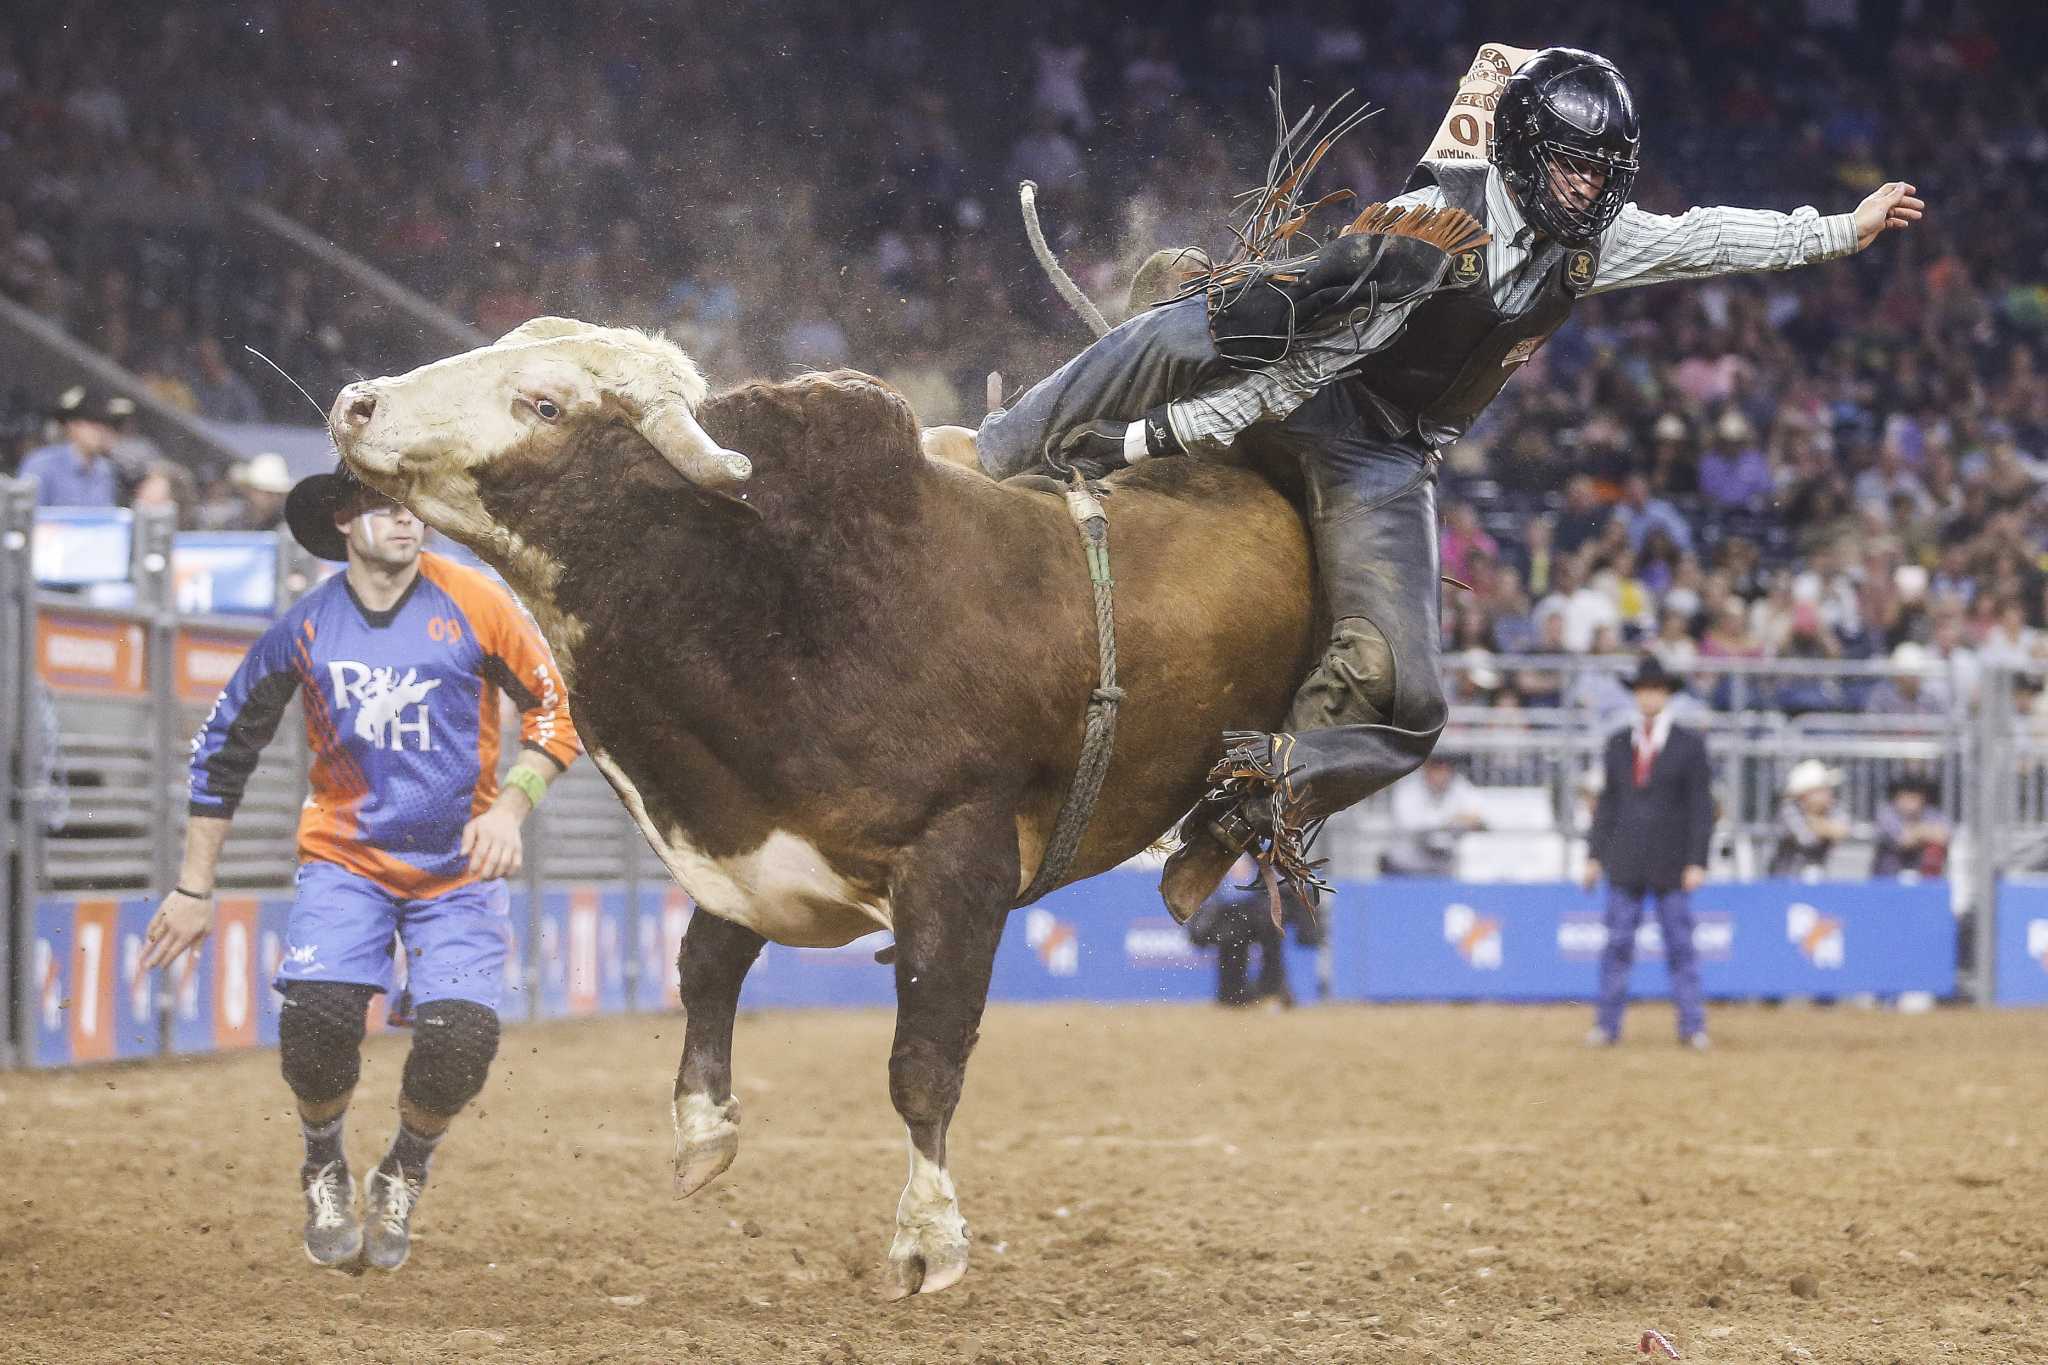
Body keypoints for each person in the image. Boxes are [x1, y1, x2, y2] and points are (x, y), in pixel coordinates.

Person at [966, 46, 1923, 914]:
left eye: (1603, 173)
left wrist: (1840, 228)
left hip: (1388, 454)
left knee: (1413, 706)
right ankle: (1009, 443)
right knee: (1194, 325)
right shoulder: (1429, 230)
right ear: (1519, 150)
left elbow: (1704, 236)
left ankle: (1237, 812)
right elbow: (1303, 362)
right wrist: (1157, 434)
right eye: (1571, 165)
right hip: (1319, 382)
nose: (1588, 190)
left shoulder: (1595, 241)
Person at [140, 463, 581, 1272]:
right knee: (317, 1019)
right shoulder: (305, 628)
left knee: (461, 1038)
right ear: (343, 520)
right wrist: (193, 887)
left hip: (458, 864)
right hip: (346, 858)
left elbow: (556, 710)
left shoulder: (478, 602)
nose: (406, 518)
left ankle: (404, 1167)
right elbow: (223, 749)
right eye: (382, 505)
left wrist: (512, 804)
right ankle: (323, 1163)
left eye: (412, 505)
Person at [1584, 657, 1714, 1048]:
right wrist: (1594, 855)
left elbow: (1701, 809)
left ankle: (1692, 1026)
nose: (1649, 695)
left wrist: (1697, 860)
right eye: (1643, 689)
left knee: (1680, 946)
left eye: (1656, 688)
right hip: (1625, 859)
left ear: (1667, 694)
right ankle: (1607, 1025)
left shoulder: (1689, 747)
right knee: (1617, 944)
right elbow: (1608, 805)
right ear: (1636, 694)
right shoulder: (1619, 744)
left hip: (1672, 861)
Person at [17, 384, 135, 507]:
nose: (101, 430)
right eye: (93, 423)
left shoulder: (105, 470)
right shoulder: (42, 465)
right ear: (72, 425)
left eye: (105, 424)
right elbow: (24, 518)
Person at [1382, 753, 1486, 877]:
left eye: (1444, 768)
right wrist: (1450, 821)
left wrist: (1451, 822)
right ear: (1426, 769)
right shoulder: (1409, 787)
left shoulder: (1458, 785)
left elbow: (1477, 815)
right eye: (1435, 768)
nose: (1440, 774)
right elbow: (1410, 823)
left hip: (1444, 865)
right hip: (1406, 865)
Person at [1768, 759, 1849, 878]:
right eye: (1822, 789)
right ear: (1805, 794)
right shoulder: (1788, 811)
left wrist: (1817, 823)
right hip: (1785, 882)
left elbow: (1842, 831)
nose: (1829, 793)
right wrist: (1823, 825)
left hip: (1822, 881)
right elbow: (1806, 839)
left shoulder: (1833, 808)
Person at [1871, 775, 1950, 878]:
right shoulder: (1886, 814)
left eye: (1913, 798)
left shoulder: (1930, 813)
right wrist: (1925, 833)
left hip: (1923, 879)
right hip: (1888, 877)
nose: (1908, 803)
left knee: (1935, 850)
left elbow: (1944, 836)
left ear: (1923, 799)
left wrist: (1917, 833)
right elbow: (1904, 841)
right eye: (1904, 797)